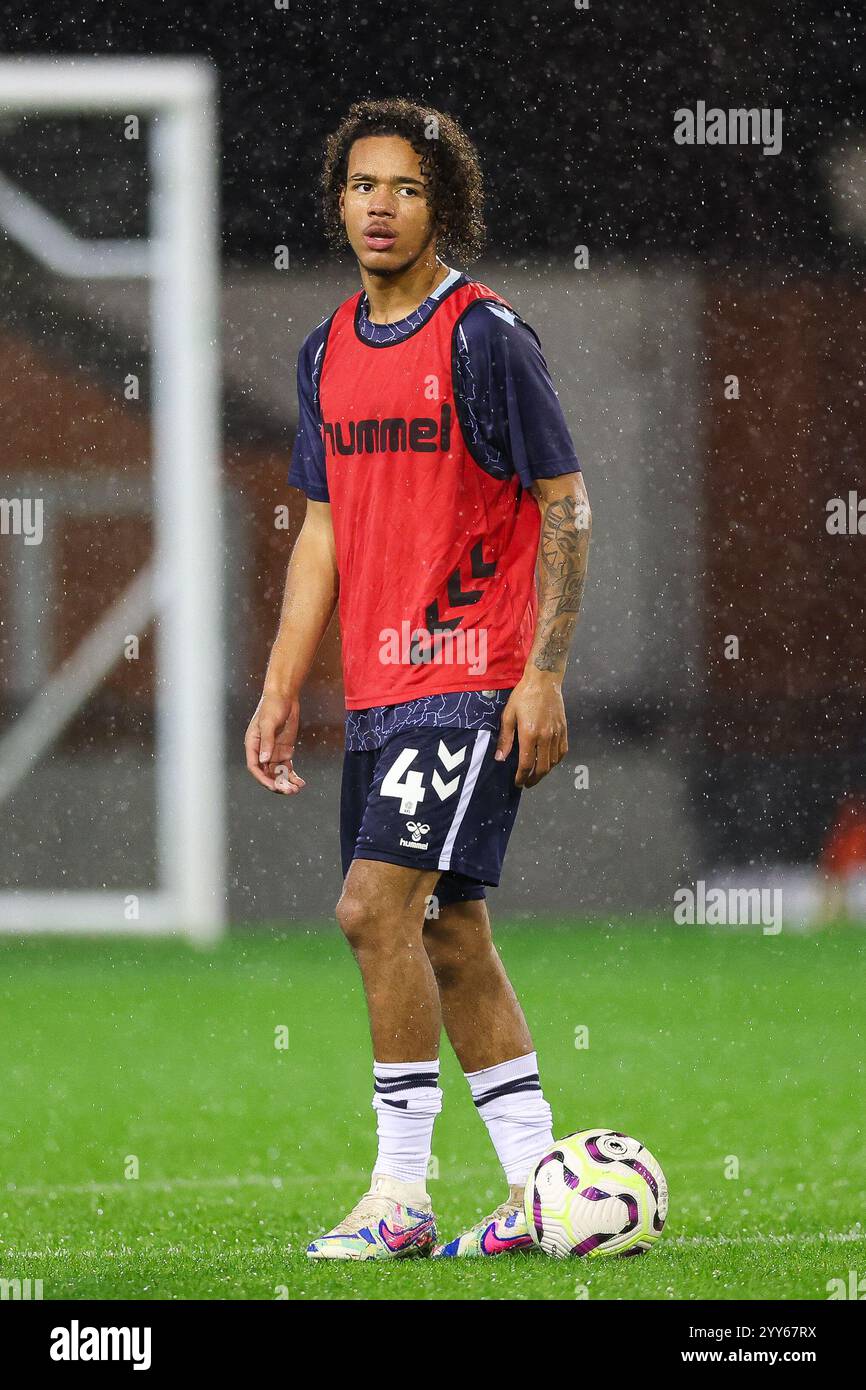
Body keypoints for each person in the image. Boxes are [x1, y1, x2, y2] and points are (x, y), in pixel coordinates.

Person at [245, 97, 591, 1260]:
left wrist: (541, 671)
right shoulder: (326, 348)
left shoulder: (485, 335)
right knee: (446, 930)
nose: (377, 206)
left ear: (442, 204)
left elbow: (564, 506)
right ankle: (545, 1186)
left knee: (368, 910)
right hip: (379, 694)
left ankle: (398, 1197)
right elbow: (322, 532)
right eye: (360, 185)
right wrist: (282, 685)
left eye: (401, 187)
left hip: (471, 680)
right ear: (336, 201)